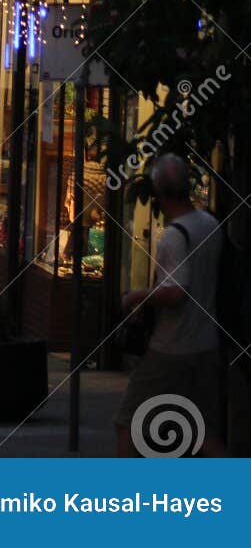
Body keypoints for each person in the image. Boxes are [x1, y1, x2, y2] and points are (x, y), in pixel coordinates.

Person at [115, 154, 225, 457]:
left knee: (128, 419)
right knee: (205, 431)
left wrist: (136, 296)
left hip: (171, 347)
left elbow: (176, 291)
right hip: (206, 344)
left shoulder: (174, 237)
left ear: (158, 192)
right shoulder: (210, 224)